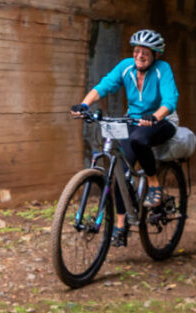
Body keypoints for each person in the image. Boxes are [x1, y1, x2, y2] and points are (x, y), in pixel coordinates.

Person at [71, 29, 179, 208]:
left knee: (139, 139)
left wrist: (155, 116)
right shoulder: (126, 66)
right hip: (133, 121)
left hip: (162, 121)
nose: (139, 55)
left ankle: (153, 184)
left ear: (155, 54)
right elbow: (105, 85)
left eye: (145, 52)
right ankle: (120, 227)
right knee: (120, 171)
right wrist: (84, 105)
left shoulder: (162, 69)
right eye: (137, 51)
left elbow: (170, 100)